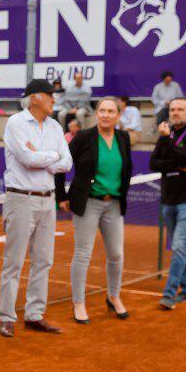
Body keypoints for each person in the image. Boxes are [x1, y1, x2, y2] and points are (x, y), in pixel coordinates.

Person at [0, 79, 72, 338]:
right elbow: (28, 160)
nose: (53, 99)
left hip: (48, 199)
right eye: (49, 94)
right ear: (35, 97)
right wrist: (52, 155)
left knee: (44, 260)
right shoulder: (16, 123)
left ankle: (34, 314)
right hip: (21, 199)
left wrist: (44, 156)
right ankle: (7, 316)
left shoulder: (55, 126)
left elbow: (67, 162)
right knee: (14, 261)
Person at [56, 97, 132, 325]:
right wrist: (61, 196)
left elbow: (126, 168)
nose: (106, 115)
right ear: (96, 113)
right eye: (102, 110)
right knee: (83, 253)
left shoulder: (123, 137)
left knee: (116, 254)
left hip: (114, 204)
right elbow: (62, 165)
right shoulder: (83, 137)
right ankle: (78, 302)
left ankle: (113, 296)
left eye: (111, 111)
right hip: (88, 203)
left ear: (118, 115)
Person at [149, 97, 186, 311]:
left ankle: (169, 294)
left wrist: (169, 147)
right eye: (172, 109)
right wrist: (177, 164)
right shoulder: (166, 135)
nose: (175, 113)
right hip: (168, 198)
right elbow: (154, 163)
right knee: (179, 247)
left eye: (180, 109)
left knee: (179, 246)